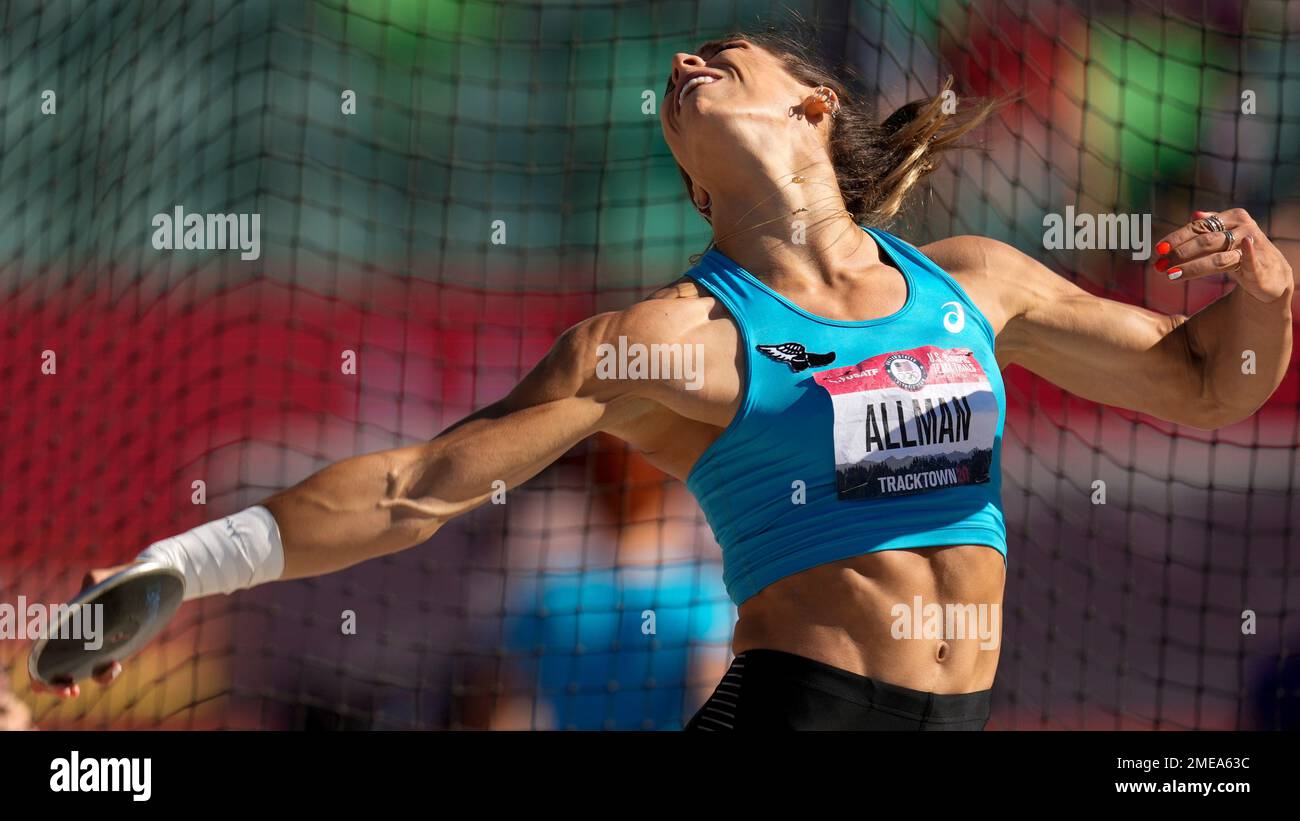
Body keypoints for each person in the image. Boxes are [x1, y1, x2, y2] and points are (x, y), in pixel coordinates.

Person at [36, 31, 1294, 729]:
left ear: (813, 106)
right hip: (802, 710)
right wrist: (183, 564)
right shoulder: (670, 339)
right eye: (677, 79)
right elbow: (418, 485)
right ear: (695, 187)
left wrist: (1264, 294)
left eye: (725, 52)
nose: (691, 63)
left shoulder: (978, 279)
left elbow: (1207, 388)